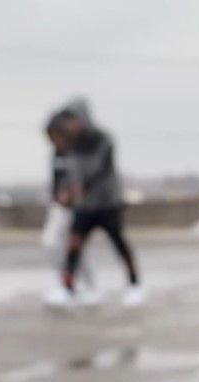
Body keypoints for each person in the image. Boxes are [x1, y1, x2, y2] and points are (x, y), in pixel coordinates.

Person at [43, 99, 144, 308]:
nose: (70, 125)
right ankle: (68, 288)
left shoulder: (103, 139)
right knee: (74, 247)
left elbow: (102, 169)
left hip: (108, 202)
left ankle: (135, 285)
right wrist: (64, 190)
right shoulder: (69, 145)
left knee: (119, 244)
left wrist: (82, 186)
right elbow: (67, 172)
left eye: (72, 120)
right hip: (84, 206)